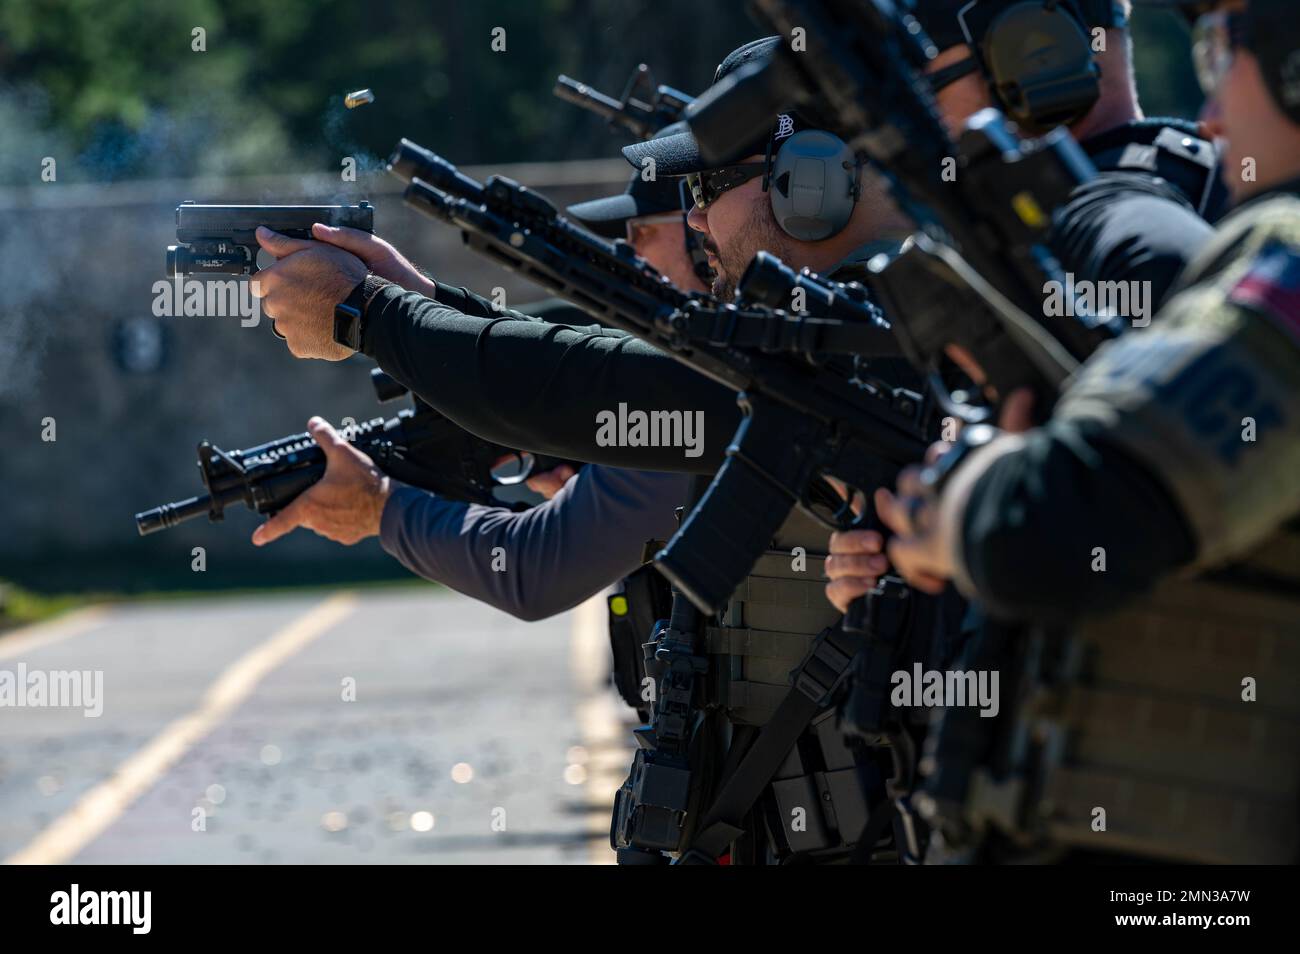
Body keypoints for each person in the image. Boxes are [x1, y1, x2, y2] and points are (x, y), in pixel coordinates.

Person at [834, 0, 1300, 863]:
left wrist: (961, 497)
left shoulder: (1284, 261)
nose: (1207, 115)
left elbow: (1054, 524)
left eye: (1218, 53)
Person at [249, 166, 706, 623]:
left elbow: (532, 570)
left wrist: (381, 507)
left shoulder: (708, 392)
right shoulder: (702, 377)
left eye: (646, 230)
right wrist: (417, 296)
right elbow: (542, 370)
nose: (630, 249)